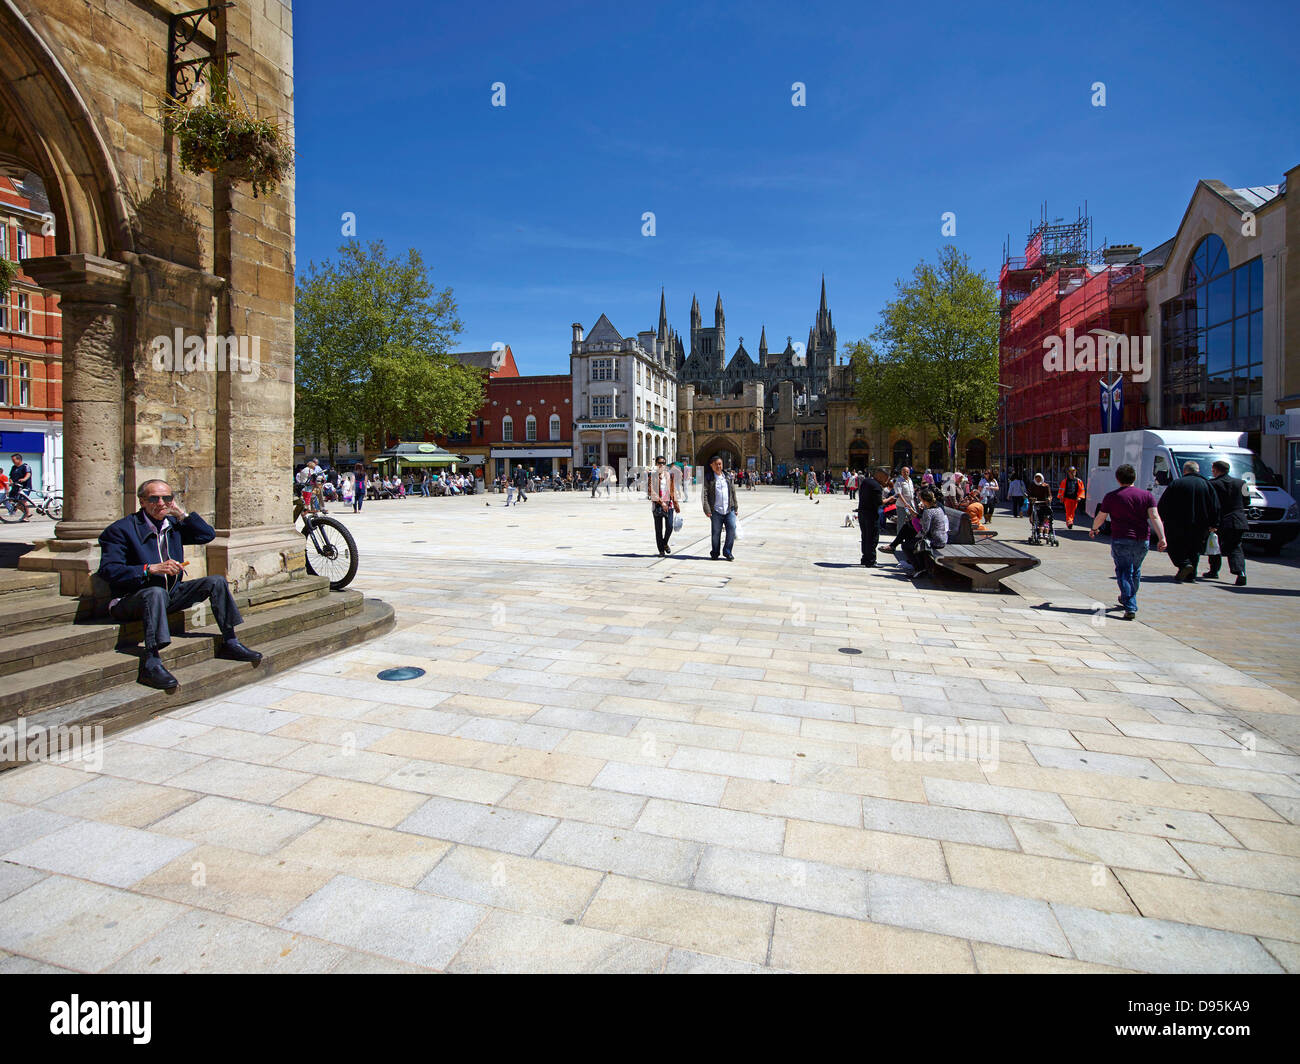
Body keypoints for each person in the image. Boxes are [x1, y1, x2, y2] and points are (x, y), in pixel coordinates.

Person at [97, 480, 262, 690]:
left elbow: (207, 535)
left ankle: (230, 642)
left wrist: (181, 514)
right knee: (154, 592)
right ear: (142, 501)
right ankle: (152, 662)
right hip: (130, 601)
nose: (161, 503)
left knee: (216, 581)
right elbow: (108, 570)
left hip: (169, 594)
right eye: (154, 498)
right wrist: (150, 569)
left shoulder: (172, 525)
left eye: (166, 498)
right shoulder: (121, 530)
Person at [1090, 463, 1167, 620]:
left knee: (1124, 572)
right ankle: (1128, 597)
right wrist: (1162, 537)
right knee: (1135, 570)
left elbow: (1101, 516)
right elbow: (1154, 516)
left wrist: (1094, 528)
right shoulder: (1146, 496)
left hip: (1121, 538)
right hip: (1141, 540)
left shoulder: (1112, 496)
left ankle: (1130, 605)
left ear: (1118, 479)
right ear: (1135, 477)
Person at [1157, 460, 1220, 582]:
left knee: (1175, 546)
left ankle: (1184, 564)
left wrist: (1162, 519)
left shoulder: (1177, 483)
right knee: (1194, 550)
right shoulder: (1207, 485)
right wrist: (1214, 523)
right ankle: (1191, 575)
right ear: (1197, 471)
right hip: (1200, 524)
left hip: (1177, 524)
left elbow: (1164, 504)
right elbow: (1215, 506)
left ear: (1185, 470)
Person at [1204, 459, 1250, 586]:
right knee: (1235, 546)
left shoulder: (1212, 484)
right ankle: (1240, 572)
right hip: (1239, 520)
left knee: (1215, 545)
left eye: (1213, 470)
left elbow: (1210, 503)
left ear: (1216, 470)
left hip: (1221, 520)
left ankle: (1215, 570)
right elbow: (1247, 501)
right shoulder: (1242, 483)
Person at [897, 487, 948, 577]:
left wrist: (917, 534)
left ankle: (919, 569)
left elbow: (925, 530)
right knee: (913, 542)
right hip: (942, 538)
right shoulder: (938, 508)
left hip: (935, 541)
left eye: (920, 500)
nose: (920, 502)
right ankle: (921, 567)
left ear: (924, 500)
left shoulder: (928, 511)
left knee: (906, 545)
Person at [702, 455, 739, 561]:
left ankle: (727, 551)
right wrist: (707, 509)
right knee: (716, 532)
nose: (719, 466)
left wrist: (735, 507)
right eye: (717, 464)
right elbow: (704, 494)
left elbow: (733, 492)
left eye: (720, 464)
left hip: (729, 509)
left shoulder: (727, 476)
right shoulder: (709, 478)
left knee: (731, 529)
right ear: (712, 465)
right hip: (716, 510)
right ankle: (715, 552)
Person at [647, 455, 680, 557]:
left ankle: (665, 543)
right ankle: (661, 550)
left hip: (669, 504)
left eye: (663, 463)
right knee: (658, 529)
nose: (661, 464)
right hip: (657, 505)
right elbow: (651, 491)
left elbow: (672, 490)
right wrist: (662, 502)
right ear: (656, 464)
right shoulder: (652, 476)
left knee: (669, 526)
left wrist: (676, 503)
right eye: (659, 463)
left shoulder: (669, 475)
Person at [858, 467, 886, 567]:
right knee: (873, 537)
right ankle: (871, 560)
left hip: (862, 513)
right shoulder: (876, 486)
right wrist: (890, 499)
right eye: (885, 477)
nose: (886, 480)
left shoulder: (866, 482)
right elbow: (879, 503)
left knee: (865, 536)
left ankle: (865, 558)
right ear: (880, 475)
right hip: (872, 515)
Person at [7, 452, 34, 521]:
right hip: (15, 487)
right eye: (12, 460)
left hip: (24, 487)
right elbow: (10, 477)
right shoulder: (13, 467)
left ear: (19, 460)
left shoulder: (25, 466)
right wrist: (11, 482)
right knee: (11, 500)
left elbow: (28, 474)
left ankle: (26, 516)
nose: (13, 462)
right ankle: (26, 513)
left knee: (22, 501)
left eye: (14, 460)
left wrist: (24, 479)